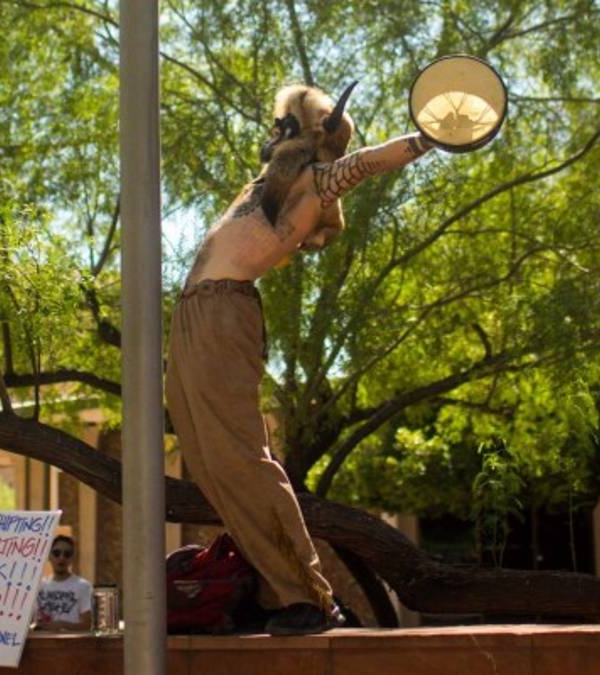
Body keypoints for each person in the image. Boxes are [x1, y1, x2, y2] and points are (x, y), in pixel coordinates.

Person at [165, 82, 436, 635]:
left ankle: (310, 595)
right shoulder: (267, 185)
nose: (271, 133)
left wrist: (425, 139)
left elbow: (360, 165)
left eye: (281, 124)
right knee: (212, 465)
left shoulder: (314, 180)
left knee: (243, 460)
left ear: (302, 133)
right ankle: (269, 587)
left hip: (224, 314)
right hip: (193, 314)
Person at [33, 535, 92, 632]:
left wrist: (62, 626)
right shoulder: (39, 586)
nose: (61, 558)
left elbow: (88, 626)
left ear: (72, 558)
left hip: (71, 645)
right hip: (40, 644)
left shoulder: (83, 586)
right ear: (49, 556)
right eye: (56, 553)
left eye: (67, 554)